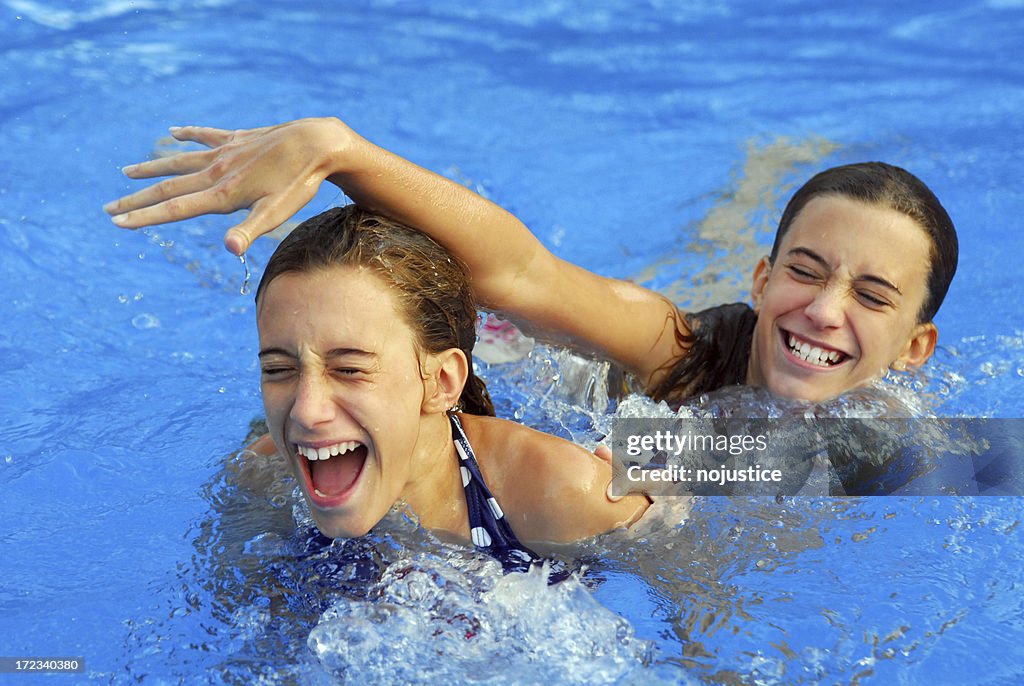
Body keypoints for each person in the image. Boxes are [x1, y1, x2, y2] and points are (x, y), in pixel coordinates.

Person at [104, 117, 958, 405]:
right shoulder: (680, 351)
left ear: (916, 347)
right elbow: (522, 274)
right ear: (763, 281)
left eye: (873, 295)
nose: (825, 309)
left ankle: (767, 170)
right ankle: (764, 168)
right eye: (803, 271)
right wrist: (344, 152)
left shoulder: (914, 443)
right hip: (562, 363)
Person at [240, 203, 648, 558]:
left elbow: (690, 435)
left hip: (571, 395)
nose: (307, 412)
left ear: (441, 380)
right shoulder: (260, 477)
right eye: (279, 370)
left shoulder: (562, 491)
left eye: (349, 369)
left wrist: (669, 487)